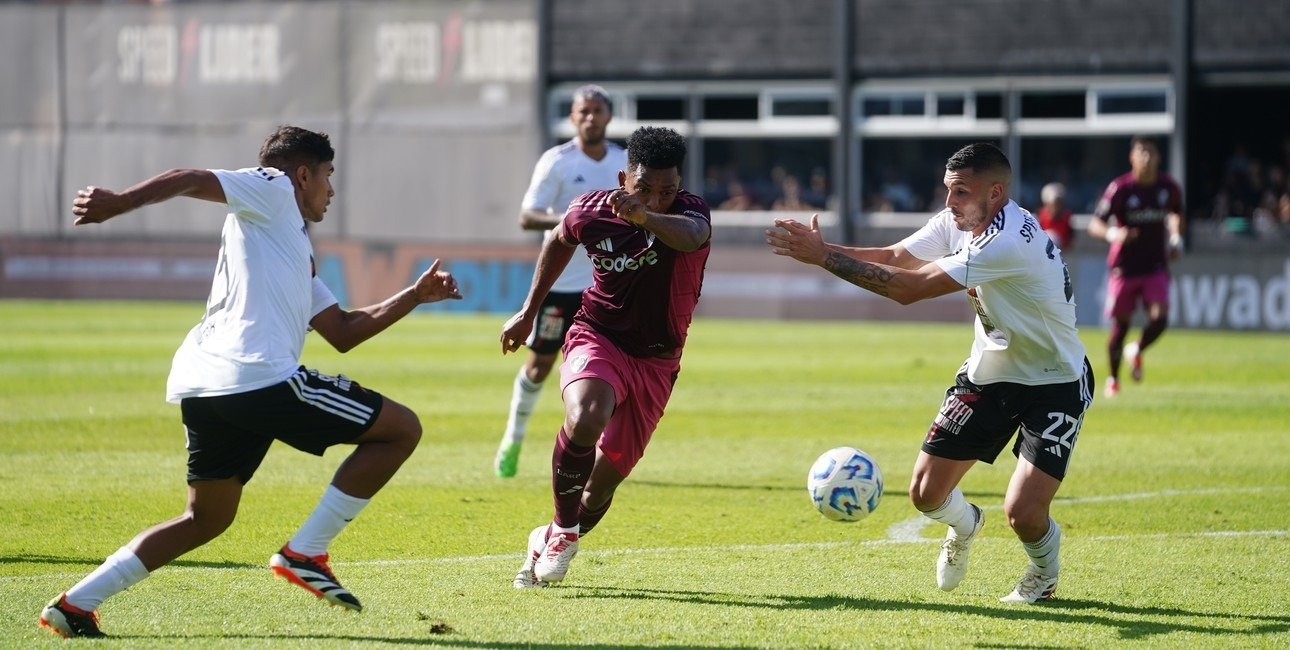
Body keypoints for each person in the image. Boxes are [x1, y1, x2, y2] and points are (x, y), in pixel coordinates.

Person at [39, 125, 463, 638]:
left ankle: (75, 604)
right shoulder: (273, 187)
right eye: (328, 175)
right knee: (401, 429)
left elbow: (343, 330)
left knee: (206, 518)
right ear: (302, 175)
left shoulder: (285, 242)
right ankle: (306, 552)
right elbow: (190, 177)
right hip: (256, 378)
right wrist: (120, 203)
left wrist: (413, 296)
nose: (331, 190)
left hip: (205, 385)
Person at [766, 143, 1093, 604]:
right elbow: (896, 257)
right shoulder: (960, 220)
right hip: (990, 374)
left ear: (995, 193)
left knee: (1023, 513)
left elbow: (909, 288)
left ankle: (1043, 574)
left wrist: (823, 258)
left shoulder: (1007, 242)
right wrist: (821, 249)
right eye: (948, 190)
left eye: (960, 192)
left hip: (1054, 382)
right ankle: (966, 524)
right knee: (925, 493)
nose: (949, 202)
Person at [500, 126, 711, 588]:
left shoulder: (690, 212)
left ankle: (549, 537)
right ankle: (564, 533)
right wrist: (528, 311)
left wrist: (645, 216)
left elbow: (693, 237)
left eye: (667, 190)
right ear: (622, 179)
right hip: (599, 335)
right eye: (644, 189)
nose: (657, 199)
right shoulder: (591, 210)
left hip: (658, 361)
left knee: (597, 492)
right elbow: (559, 238)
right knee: (586, 416)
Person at [494, 85, 628, 478]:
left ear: (608, 116)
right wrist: (578, 219)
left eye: (597, 111)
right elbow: (528, 216)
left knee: (611, 371)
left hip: (608, 286)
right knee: (539, 367)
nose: (590, 117)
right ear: (572, 117)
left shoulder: (624, 161)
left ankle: (600, 457)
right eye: (583, 111)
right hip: (561, 285)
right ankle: (512, 440)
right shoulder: (557, 161)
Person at [1087, 135, 1184, 398]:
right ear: (1132, 157)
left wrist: (1176, 238)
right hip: (1124, 267)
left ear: (1158, 157)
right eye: (1141, 152)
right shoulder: (1120, 188)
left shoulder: (1168, 187)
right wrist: (1114, 234)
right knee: (1121, 328)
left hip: (1155, 265)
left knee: (1160, 318)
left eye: (1151, 152)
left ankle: (1137, 349)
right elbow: (1095, 224)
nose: (1146, 158)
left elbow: (1176, 212)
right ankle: (1113, 379)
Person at [1037, 182, 1075, 250]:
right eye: (1054, 203)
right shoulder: (1039, 217)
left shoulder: (1067, 218)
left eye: (1059, 203)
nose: (1057, 207)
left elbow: (1069, 242)